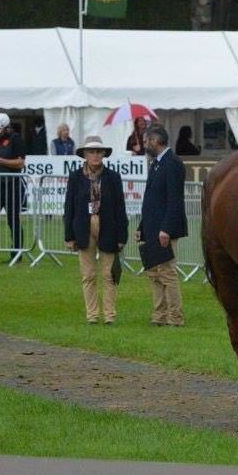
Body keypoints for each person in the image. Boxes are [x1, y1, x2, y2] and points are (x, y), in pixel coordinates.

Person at [63, 136, 128, 324]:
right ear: (84, 155)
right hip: (84, 227)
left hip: (108, 226)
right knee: (89, 275)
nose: (96, 155)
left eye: (99, 151)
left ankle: (109, 315)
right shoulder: (75, 177)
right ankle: (92, 315)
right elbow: (69, 207)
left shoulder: (113, 177)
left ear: (104, 154)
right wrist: (69, 236)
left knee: (109, 274)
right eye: (91, 152)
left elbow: (120, 208)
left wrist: (122, 236)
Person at [137, 125, 187, 326]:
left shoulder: (172, 163)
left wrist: (166, 228)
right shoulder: (156, 163)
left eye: (146, 141)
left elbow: (175, 200)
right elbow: (151, 199)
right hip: (151, 228)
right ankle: (159, 315)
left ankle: (175, 317)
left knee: (167, 272)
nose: (144, 145)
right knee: (154, 273)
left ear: (155, 140)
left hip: (164, 230)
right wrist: (142, 227)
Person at [0, 112, 26, 255]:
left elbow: (20, 163)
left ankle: (16, 253)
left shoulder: (15, 139)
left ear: (6, 127)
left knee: (13, 220)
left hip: (12, 185)